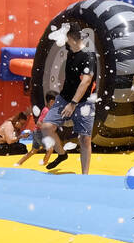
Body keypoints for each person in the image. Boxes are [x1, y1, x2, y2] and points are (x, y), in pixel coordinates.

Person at [38, 22, 95, 175]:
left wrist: (73, 103)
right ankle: (62, 154)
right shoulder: (70, 50)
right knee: (47, 127)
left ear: (70, 37)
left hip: (83, 103)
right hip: (64, 98)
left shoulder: (88, 55)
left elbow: (86, 81)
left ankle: (85, 175)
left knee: (84, 139)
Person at [15, 92, 73, 168]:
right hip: (40, 132)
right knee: (50, 149)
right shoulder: (47, 111)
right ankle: (44, 165)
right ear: (52, 102)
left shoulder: (46, 110)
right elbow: (39, 123)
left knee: (34, 150)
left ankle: (18, 163)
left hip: (37, 132)